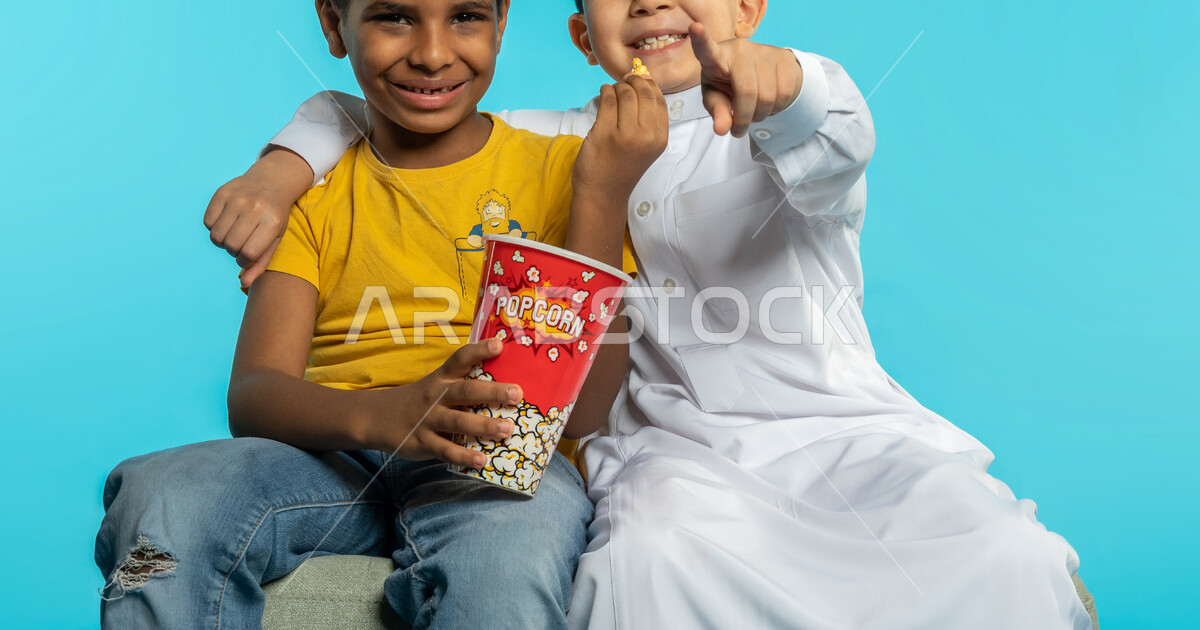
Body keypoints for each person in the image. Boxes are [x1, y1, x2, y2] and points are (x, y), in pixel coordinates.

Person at [205, 1, 1093, 628]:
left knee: (1003, 555)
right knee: (645, 562)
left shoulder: (783, 118)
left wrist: (784, 80)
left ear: (748, 7)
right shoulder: (556, 137)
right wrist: (278, 171)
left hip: (842, 435)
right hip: (667, 449)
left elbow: (840, 131)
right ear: (583, 35)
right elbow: (372, 109)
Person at [95, 0, 667, 628]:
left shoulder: (573, 173)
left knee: (506, 558)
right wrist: (385, 416)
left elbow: (581, 412)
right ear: (334, 24)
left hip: (493, 463)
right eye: (394, 17)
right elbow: (254, 395)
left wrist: (603, 193)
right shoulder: (311, 190)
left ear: (503, 23)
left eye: (467, 17)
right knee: (166, 493)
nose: (430, 52)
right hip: (332, 457)